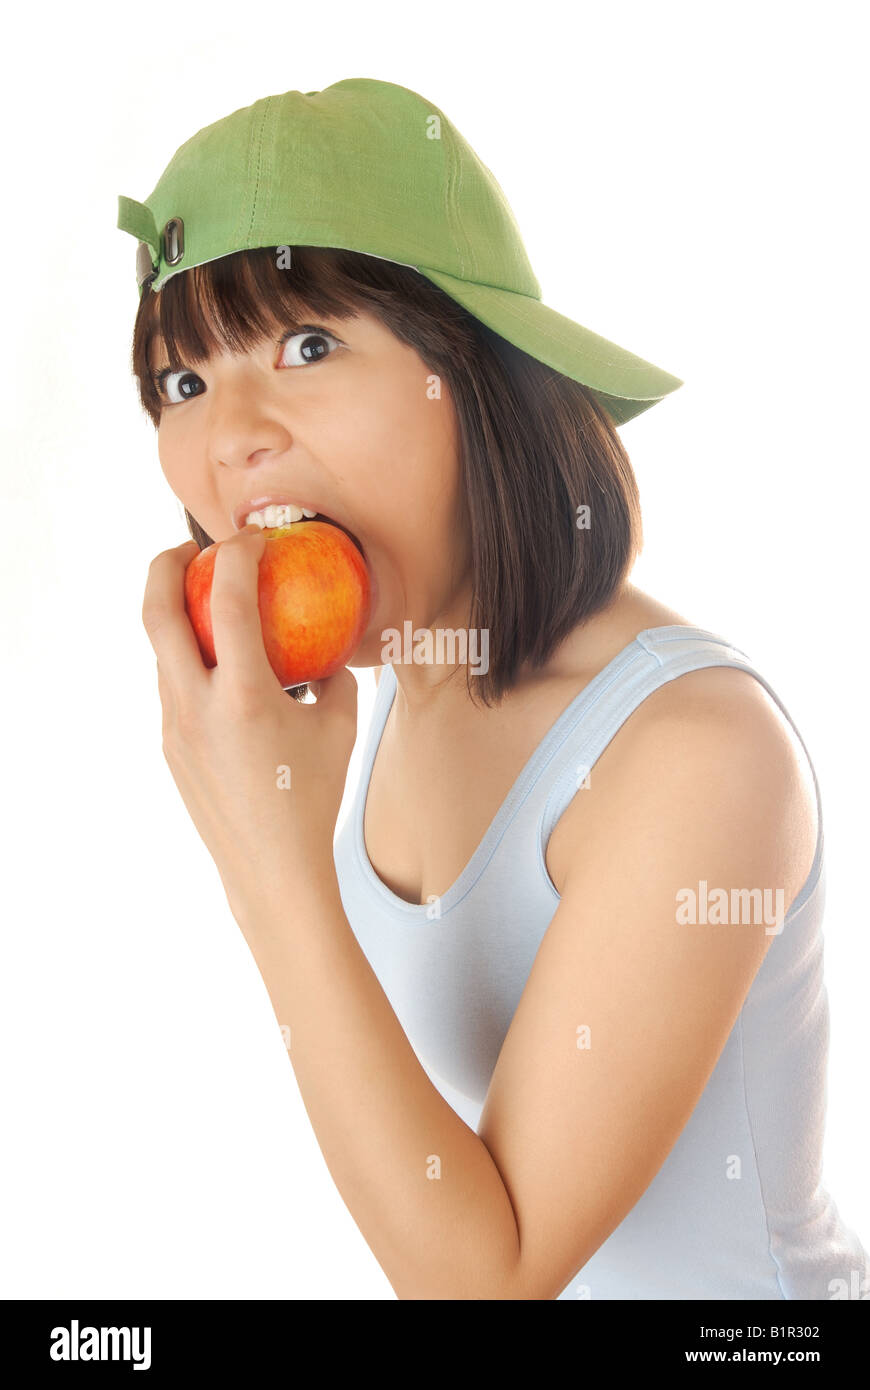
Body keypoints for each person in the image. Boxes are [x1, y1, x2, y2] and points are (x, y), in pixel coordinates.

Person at [121, 78, 868, 1300]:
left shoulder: (695, 751)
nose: (226, 434)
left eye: (308, 345)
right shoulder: (406, 687)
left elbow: (491, 1277)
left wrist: (267, 857)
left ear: (470, 376)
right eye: (180, 381)